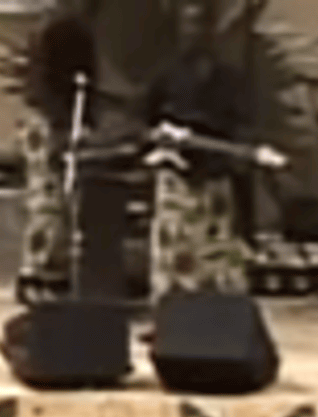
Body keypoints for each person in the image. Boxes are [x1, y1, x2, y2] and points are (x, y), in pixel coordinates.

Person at [142, 0, 251, 306]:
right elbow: (147, 121)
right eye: (186, 25)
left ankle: (214, 316)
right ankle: (168, 314)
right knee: (172, 254)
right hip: (176, 176)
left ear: (210, 30)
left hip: (214, 176)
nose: (192, 31)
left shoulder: (228, 78)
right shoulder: (164, 76)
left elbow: (239, 124)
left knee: (215, 254)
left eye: (199, 24)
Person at [17, 13, 100, 292]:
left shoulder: (78, 30)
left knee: (61, 201)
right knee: (47, 200)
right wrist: (59, 129)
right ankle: (38, 268)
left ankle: (55, 269)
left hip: (57, 120)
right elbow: (41, 85)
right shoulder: (53, 31)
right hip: (48, 122)